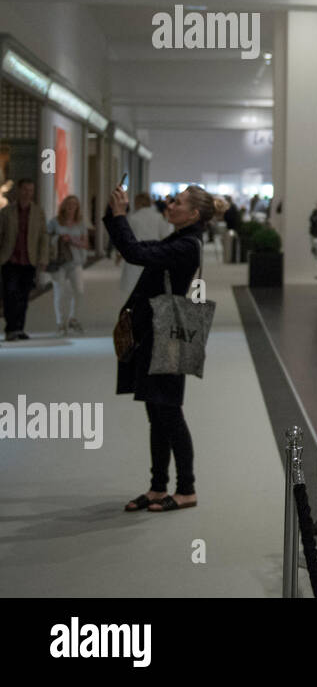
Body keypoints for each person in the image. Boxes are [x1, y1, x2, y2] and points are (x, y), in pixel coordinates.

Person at [105, 183, 214, 514]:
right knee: (157, 412)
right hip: (155, 333)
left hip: (166, 335)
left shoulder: (186, 246)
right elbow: (136, 249)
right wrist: (114, 215)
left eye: (178, 202)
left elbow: (136, 254)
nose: (171, 204)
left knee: (168, 412)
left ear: (193, 213)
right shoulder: (178, 241)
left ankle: (186, 489)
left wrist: (121, 216)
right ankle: (157, 486)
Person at [0, 179, 48, 341]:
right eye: (25, 190)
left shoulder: (38, 212)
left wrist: (43, 258)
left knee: (23, 296)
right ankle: (11, 328)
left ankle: (19, 327)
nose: (28, 193)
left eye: (31, 190)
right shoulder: (7, 212)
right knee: (10, 294)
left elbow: (43, 237)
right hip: (10, 259)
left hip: (29, 260)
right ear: (19, 191)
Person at [47, 195, 91, 336]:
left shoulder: (80, 224)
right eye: (69, 204)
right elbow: (46, 240)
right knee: (59, 292)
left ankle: (73, 319)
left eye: (75, 205)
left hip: (75, 261)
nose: (72, 207)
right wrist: (59, 238)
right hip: (59, 262)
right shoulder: (54, 222)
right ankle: (60, 323)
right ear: (64, 206)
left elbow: (86, 244)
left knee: (79, 291)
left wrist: (71, 239)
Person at [121, 192, 174, 298]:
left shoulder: (133, 218)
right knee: (151, 287)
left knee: (133, 288)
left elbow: (127, 238)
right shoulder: (158, 217)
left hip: (136, 253)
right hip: (154, 253)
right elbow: (165, 235)